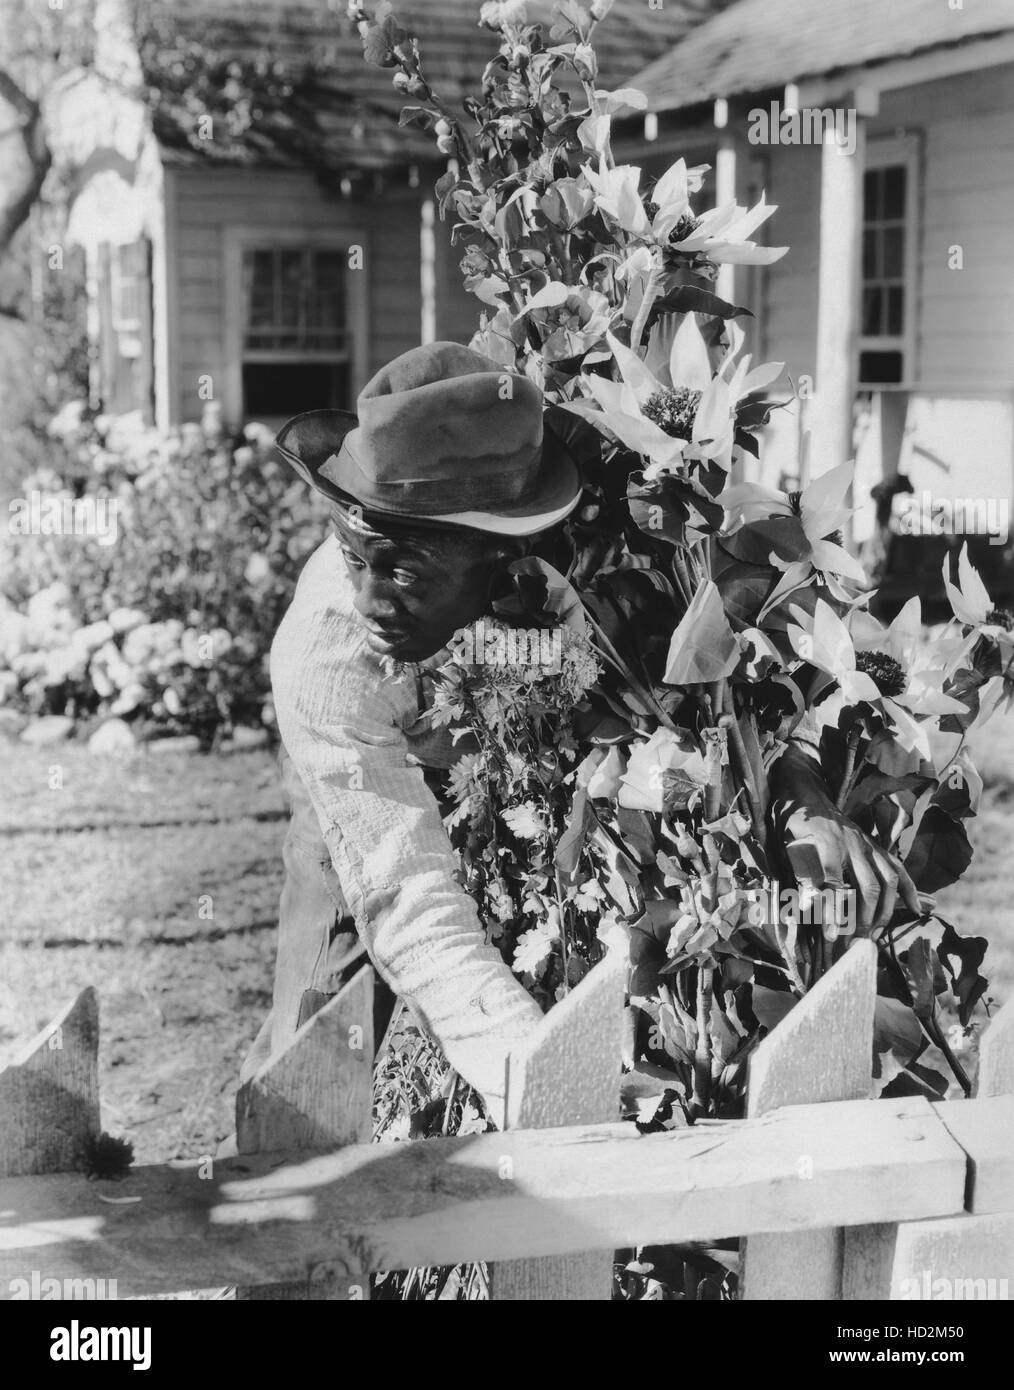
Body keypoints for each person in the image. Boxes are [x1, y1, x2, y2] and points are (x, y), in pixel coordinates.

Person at [244, 342, 919, 1128]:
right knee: (318, 1077)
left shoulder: (619, 528)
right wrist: (547, 1083)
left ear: (510, 552)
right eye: (353, 553)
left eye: (402, 571)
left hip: (542, 823)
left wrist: (801, 796)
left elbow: (711, 687)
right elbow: (409, 901)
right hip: (368, 832)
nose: (367, 596)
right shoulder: (328, 653)